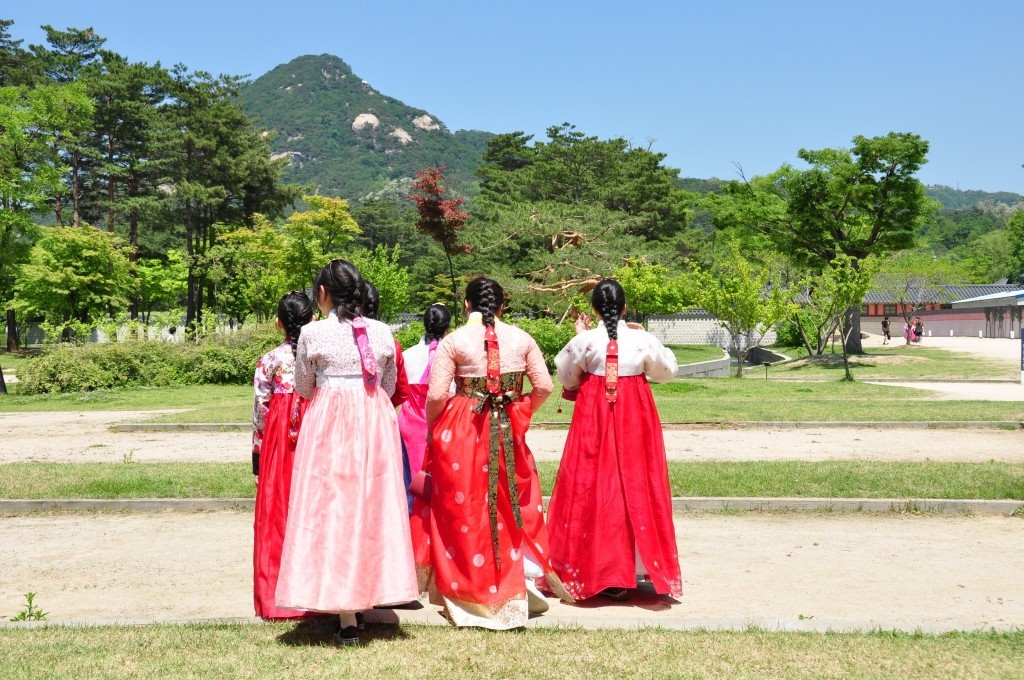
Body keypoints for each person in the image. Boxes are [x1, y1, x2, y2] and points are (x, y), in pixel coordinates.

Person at [409, 277, 573, 629]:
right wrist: (521, 409)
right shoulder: (523, 338)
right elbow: (544, 386)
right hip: (507, 431)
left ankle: (468, 589)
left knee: (464, 506)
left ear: (467, 305)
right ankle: (514, 585)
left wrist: (437, 426)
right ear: (502, 307)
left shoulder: (454, 341)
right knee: (509, 504)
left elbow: (437, 395)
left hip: (463, 430)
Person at [275, 259, 417, 646]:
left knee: (332, 507)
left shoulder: (312, 334)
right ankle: (366, 597)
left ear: (322, 293)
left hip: (329, 424)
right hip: (373, 420)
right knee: (371, 506)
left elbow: (303, 387)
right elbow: (387, 386)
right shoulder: (384, 332)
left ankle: (346, 613)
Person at [546, 279, 682, 603]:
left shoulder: (585, 341)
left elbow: (565, 374)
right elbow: (668, 371)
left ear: (594, 309)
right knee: (634, 484)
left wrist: (582, 336)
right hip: (635, 419)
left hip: (594, 419)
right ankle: (632, 570)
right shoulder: (641, 339)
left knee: (593, 485)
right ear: (624, 307)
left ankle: (591, 567)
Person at [251, 291, 315, 620]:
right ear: (313, 319)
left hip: (278, 439)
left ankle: (275, 594)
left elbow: (260, 409)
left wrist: (257, 452)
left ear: (278, 323)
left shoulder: (269, 360)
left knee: (278, 507)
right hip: (314, 433)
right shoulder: (317, 357)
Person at [396, 303, 452, 511]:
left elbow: (400, 387)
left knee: (411, 475)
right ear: (448, 327)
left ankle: (412, 521)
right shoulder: (452, 356)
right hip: (442, 418)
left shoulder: (408, 354)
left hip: (411, 420)